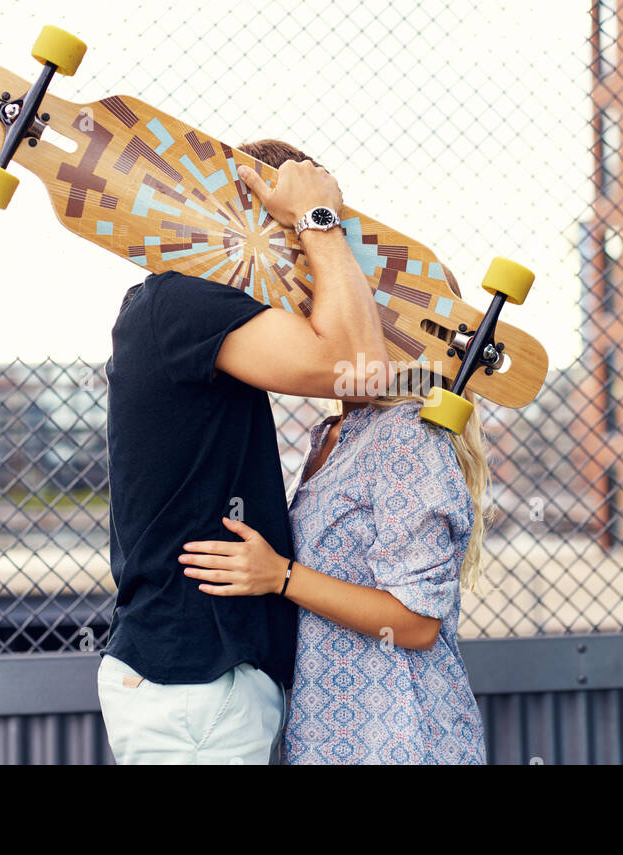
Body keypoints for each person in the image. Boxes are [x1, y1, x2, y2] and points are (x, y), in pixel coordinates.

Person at [97, 140, 390, 765]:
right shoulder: (180, 306)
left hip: (200, 684)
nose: (310, 270)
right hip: (196, 688)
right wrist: (320, 220)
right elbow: (361, 367)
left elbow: (379, 375)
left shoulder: (183, 317)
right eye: (298, 245)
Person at [179, 278, 490, 765]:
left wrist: (280, 575)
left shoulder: (406, 433)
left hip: (400, 734)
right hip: (335, 732)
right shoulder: (335, 432)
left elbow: (417, 623)